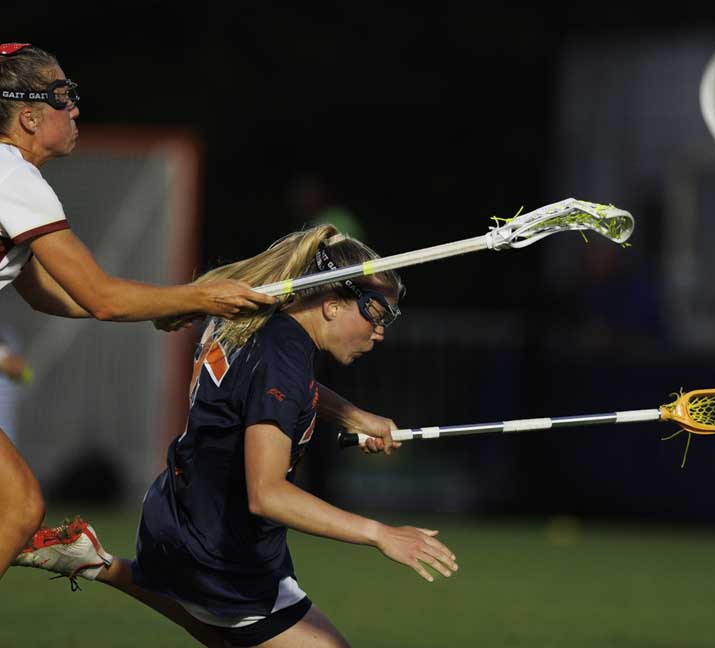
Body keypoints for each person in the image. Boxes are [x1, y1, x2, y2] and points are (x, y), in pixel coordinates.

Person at [15, 226, 459, 648]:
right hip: (223, 560)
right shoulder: (283, 357)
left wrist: (351, 414)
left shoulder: (259, 319)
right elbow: (267, 495)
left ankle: (95, 562)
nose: (379, 332)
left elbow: (268, 389)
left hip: (174, 521)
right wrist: (380, 533)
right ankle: (99, 565)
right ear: (333, 303)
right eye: (375, 314)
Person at [0, 41, 278, 582]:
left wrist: (157, 307)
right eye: (63, 96)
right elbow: (103, 298)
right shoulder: (16, 181)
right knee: (17, 508)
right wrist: (201, 295)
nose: (76, 108)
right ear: (29, 116)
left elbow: (48, 293)